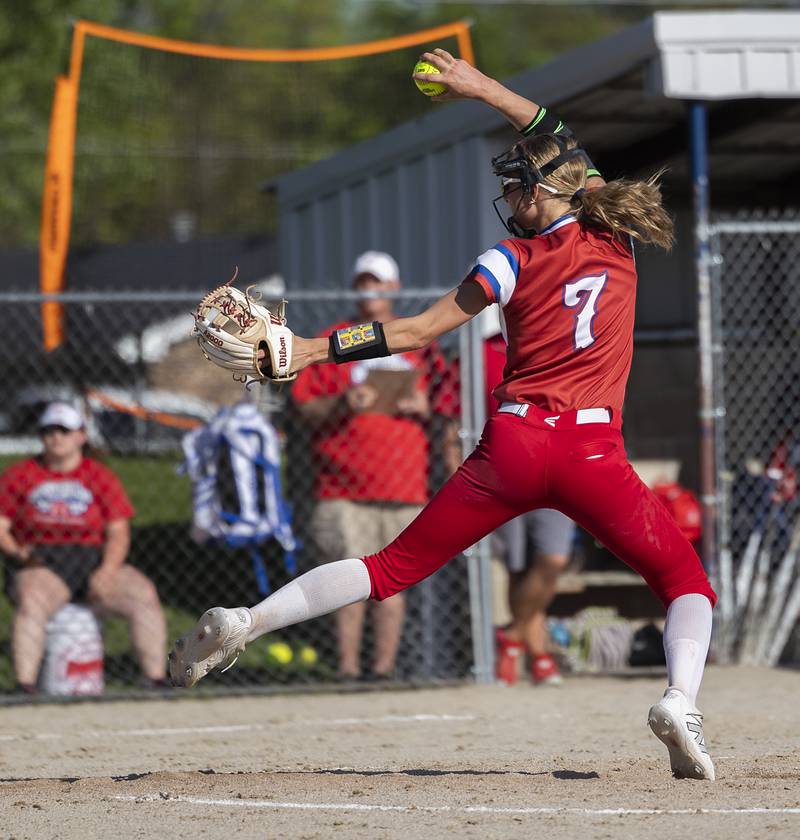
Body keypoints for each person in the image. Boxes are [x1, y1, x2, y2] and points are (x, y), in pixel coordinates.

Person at [170, 50, 717, 781]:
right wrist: (479, 85)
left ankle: (249, 622)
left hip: (514, 444)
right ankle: (680, 700)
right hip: (591, 453)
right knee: (687, 585)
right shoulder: (612, 238)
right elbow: (553, 129)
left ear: (544, 191)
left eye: (518, 186)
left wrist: (310, 348)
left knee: (391, 567)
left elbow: (417, 331)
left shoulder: (511, 258)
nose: (511, 198)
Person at [292, 251, 447, 680]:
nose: (370, 291)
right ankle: (346, 670)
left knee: (390, 587)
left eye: (378, 283)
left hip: (403, 488)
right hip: (344, 490)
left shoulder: (416, 342)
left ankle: (382, 671)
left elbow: (449, 400)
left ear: (394, 288)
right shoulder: (333, 339)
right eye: (363, 282)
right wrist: (342, 402)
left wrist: (424, 405)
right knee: (347, 586)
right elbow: (305, 407)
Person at [443, 307, 575, 686]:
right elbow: (452, 422)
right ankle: (538, 655)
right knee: (519, 567)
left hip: (557, 464)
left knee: (552, 559)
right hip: (502, 470)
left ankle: (513, 637)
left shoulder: (557, 348)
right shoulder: (481, 352)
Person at [0, 402, 168, 693]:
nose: (56, 437)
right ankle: (25, 686)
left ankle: (155, 680)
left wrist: (108, 570)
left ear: (80, 436)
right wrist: (18, 553)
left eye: (64, 430)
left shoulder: (98, 476)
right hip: (42, 559)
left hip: (92, 557)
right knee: (33, 601)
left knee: (144, 595)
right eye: (49, 430)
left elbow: (118, 532)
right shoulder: (21, 474)